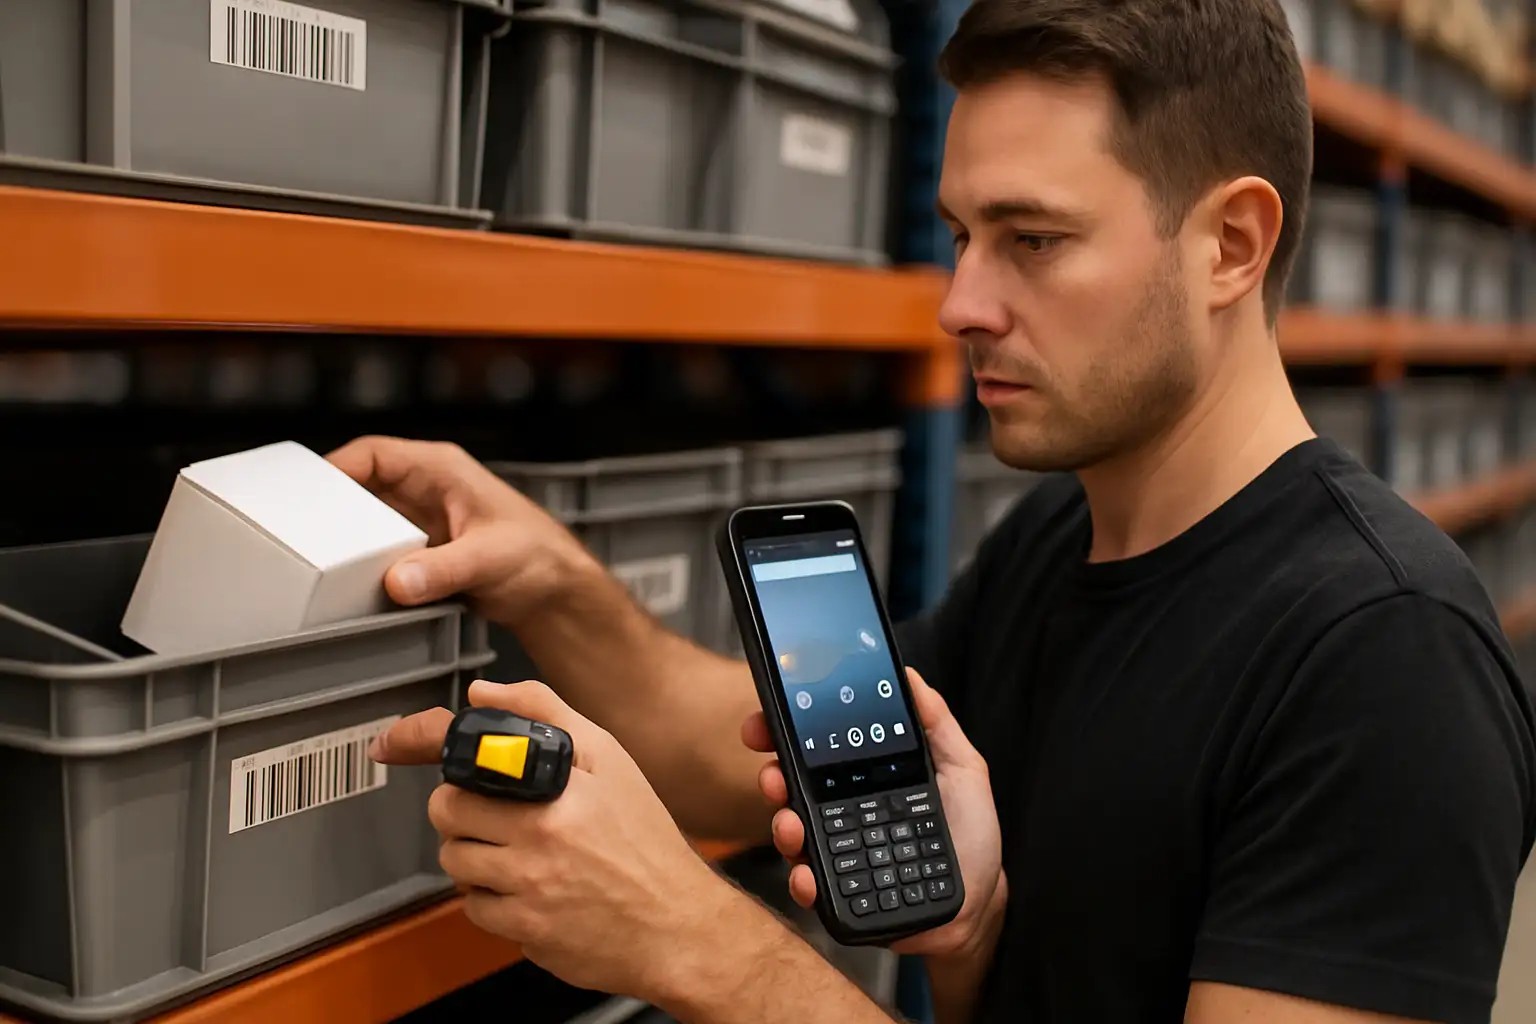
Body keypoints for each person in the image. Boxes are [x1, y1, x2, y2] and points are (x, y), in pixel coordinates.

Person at [332, 0, 1536, 1020]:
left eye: (1034, 239)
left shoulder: (1386, 661)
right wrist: (557, 584)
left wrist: (706, 950)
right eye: (962, 235)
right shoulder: (1064, 540)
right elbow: (752, 756)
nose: (959, 301)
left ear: (1231, 243)